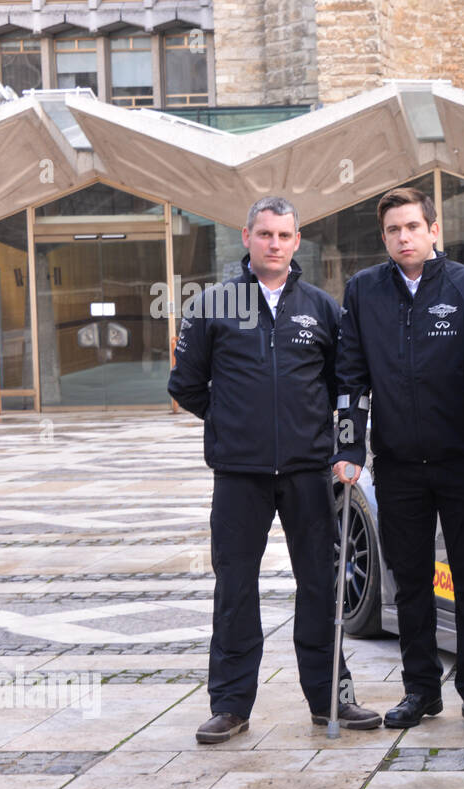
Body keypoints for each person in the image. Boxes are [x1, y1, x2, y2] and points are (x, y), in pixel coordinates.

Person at [168, 196, 381, 743]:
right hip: (238, 475)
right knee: (235, 587)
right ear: (246, 237)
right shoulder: (214, 304)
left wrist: (344, 449)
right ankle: (231, 705)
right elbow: (185, 385)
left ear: (296, 240)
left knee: (320, 585)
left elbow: (347, 385)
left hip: (310, 472)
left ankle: (330, 696)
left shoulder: (321, 308)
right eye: (265, 234)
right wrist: (233, 422)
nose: (274, 244)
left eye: (284, 236)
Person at [332, 187, 464, 733]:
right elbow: (350, 378)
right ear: (383, 237)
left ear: (434, 230)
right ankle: (421, 690)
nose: (403, 237)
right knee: (410, 581)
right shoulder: (363, 291)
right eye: (392, 230)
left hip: (461, 464)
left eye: (412, 227)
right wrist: (348, 448)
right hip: (398, 464)